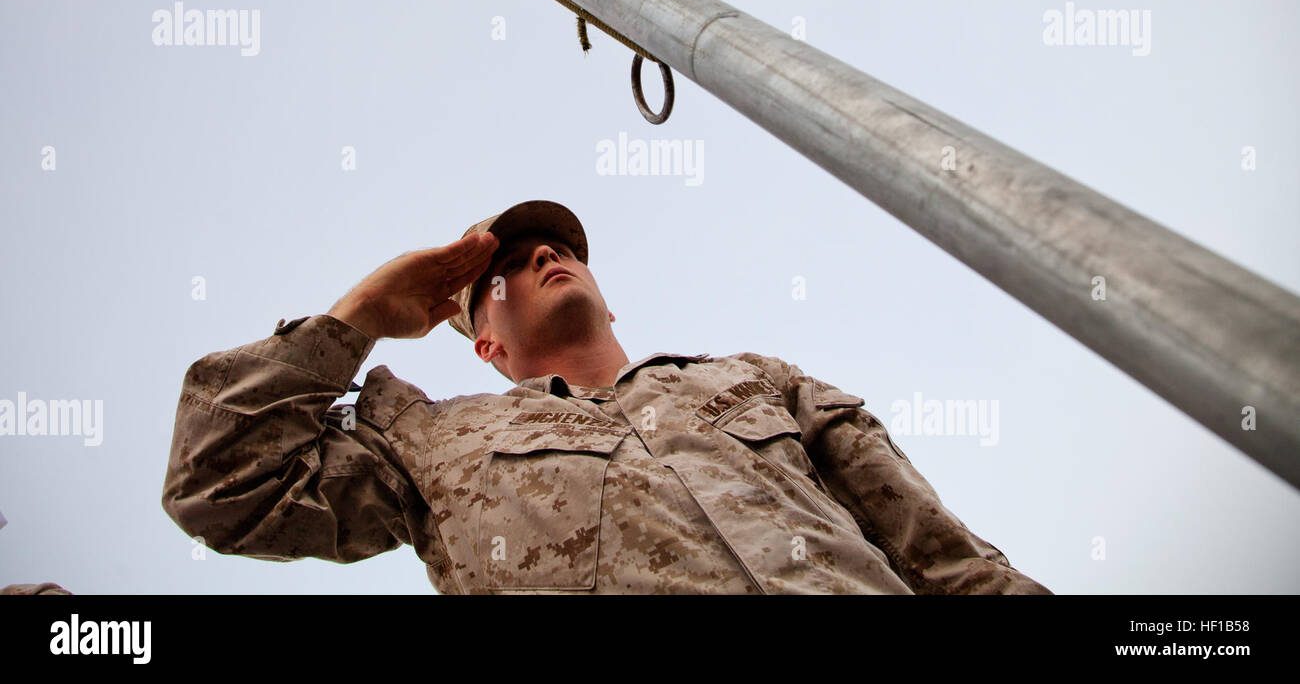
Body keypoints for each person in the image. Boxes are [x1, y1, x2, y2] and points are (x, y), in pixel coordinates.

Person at [161, 200, 1051, 594]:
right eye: (502, 270)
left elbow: (943, 559)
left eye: (553, 249)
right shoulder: (427, 442)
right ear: (485, 344)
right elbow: (219, 489)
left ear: (604, 294)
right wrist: (355, 318)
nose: (539, 259)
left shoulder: (758, 379)